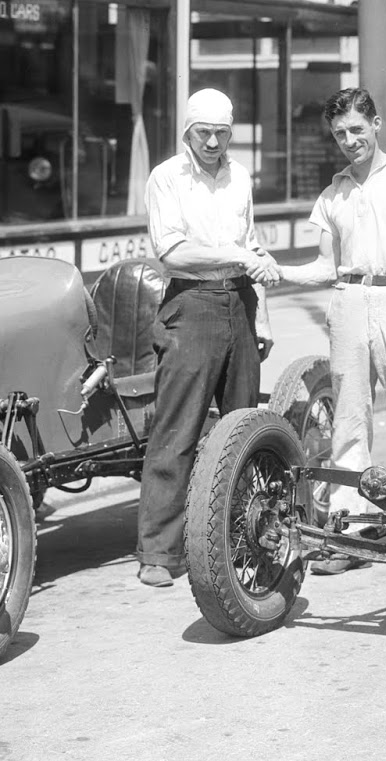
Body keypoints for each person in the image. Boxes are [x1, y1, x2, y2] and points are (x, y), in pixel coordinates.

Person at [277, 87, 386, 582]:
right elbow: (324, 265)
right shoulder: (334, 193)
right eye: (339, 134)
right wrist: (278, 272)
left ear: (376, 123)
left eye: (357, 129)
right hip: (349, 302)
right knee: (349, 420)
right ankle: (352, 533)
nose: (350, 140)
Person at [135, 88, 277, 587]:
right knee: (178, 430)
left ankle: (244, 540)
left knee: (241, 428)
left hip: (240, 301)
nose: (213, 142)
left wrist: (262, 316)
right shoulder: (166, 178)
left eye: (222, 132)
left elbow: (252, 244)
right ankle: (158, 553)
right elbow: (171, 253)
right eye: (203, 133)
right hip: (191, 305)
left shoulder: (240, 178)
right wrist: (236, 257)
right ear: (186, 132)